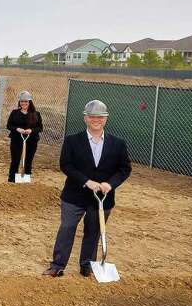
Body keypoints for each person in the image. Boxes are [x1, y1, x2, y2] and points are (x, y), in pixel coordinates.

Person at [43, 100, 132, 277]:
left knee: (93, 232)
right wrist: (86, 181)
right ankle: (57, 265)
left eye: (100, 117)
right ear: (85, 118)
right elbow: (66, 165)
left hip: (102, 198)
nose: (96, 120)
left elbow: (125, 169)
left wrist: (110, 184)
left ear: (106, 119)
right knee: (67, 228)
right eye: (92, 116)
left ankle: (87, 265)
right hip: (74, 196)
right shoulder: (72, 141)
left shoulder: (118, 144)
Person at [7, 91, 44, 182]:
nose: (23, 103)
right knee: (15, 160)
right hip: (17, 139)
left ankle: (25, 180)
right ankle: (12, 180)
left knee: (28, 160)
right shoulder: (15, 113)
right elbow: (9, 125)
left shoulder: (36, 114)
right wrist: (17, 129)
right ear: (19, 102)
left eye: (26, 102)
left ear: (30, 102)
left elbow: (40, 127)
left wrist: (31, 130)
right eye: (22, 101)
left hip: (31, 140)